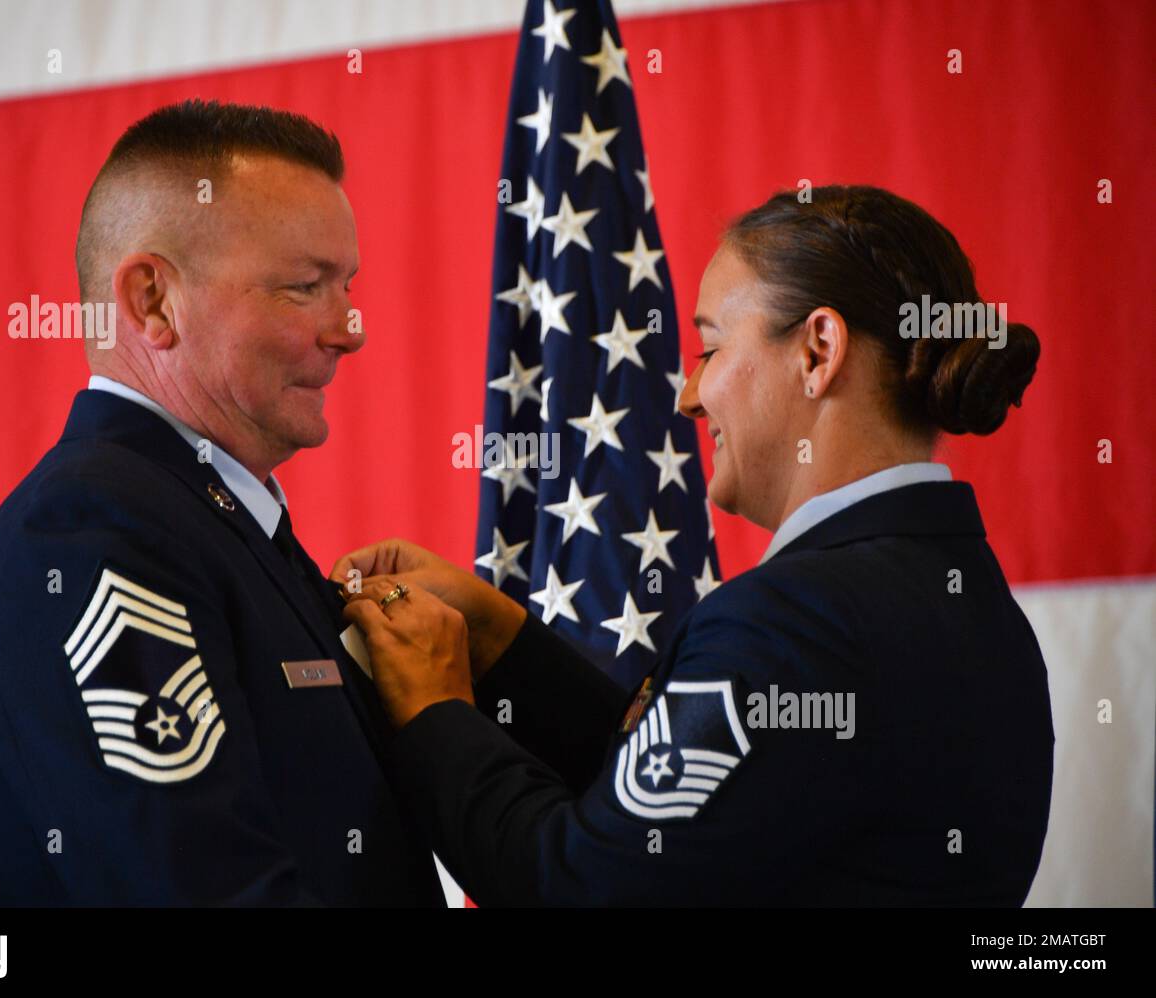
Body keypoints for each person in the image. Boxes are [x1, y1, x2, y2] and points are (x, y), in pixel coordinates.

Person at [334, 185, 1054, 906]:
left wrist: (434, 711)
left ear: (818, 351)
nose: (687, 395)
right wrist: (503, 639)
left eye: (710, 348)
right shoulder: (976, 606)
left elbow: (579, 889)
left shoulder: (791, 620)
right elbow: (687, 819)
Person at [0, 100, 445, 906]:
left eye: (345, 286)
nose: (350, 329)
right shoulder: (92, 533)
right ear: (150, 302)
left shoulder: (206, 520)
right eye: (305, 287)